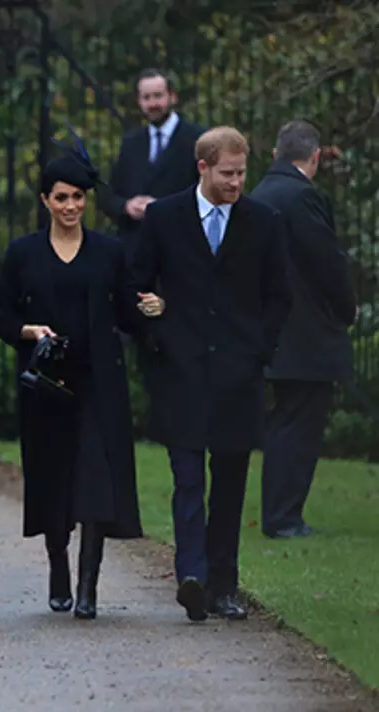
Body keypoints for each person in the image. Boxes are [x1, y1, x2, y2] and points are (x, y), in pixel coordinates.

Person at [131, 127, 291, 622]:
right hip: (182, 373)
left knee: (229, 485)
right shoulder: (164, 217)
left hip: (237, 376)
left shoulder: (263, 222)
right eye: (227, 173)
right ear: (202, 167)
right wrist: (157, 335)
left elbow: (279, 296)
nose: (236, 182)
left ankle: (224, 586)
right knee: (187, 481)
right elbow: (136, 286)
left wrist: (256, 351)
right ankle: (192, 575)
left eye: (242, 173)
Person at [0, 154, 144, 619]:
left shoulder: (109, 251)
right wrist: (30, 332)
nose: (72, 205)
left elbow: (126, 314)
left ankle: (89, 587)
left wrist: (153, 309)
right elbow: (0, 317)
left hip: (98, 381)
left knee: (96, 481)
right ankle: (58, 565)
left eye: (79, 197)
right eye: (62, 197)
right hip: (47, 385)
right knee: (53, 481)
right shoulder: (23, 253)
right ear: (45, 200)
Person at [252, 121, 357, 539]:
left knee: (284, 422)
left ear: (277, 152)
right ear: (313, 157)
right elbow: (326, 262)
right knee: (302, 424)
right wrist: (348, 308)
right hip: (308, 333)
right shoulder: (303, 197)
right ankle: (284, 518)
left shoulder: (260, 194)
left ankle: (279, 512)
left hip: (276, 332)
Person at [101, 69, 205, 258]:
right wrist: (126, 206)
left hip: (180, 252)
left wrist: (162, 209)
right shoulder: (131, 142)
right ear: (139, 101)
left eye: (158, 96)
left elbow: (209, 196)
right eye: (146, 97)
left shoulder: (197, 139)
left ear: (172, 97)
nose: (152, 104)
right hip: (135, 253)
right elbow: (109, 195)